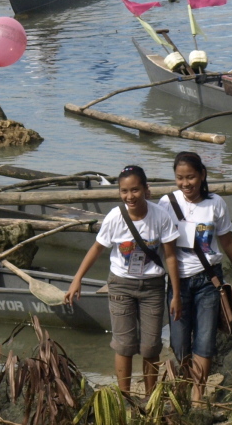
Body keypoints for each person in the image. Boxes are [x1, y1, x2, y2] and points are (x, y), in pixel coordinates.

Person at [65, 166, 181, 396]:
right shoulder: (115, 217)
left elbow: (170, 256)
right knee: (124, 345)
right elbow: (97, 248)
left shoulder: (160, 216)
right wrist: (77, 279)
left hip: (153, 287)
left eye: (135, 190)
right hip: (120, 286)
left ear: (146, 190)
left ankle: (151, 397)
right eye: (124, 191)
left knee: (151, 346)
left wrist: (176, 294)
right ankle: (124, 396)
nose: (130, 196)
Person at [159, 152, 232, 405]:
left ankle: (198, 393)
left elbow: (227, 242)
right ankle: (182, 383)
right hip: (178, 282)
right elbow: (157, 242)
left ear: (202, 175)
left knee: (204, 339)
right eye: (180, 178)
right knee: (180, 341)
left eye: (190, 177)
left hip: (209, 279)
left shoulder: (215, 203)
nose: (185, 183)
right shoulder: (166, 203)